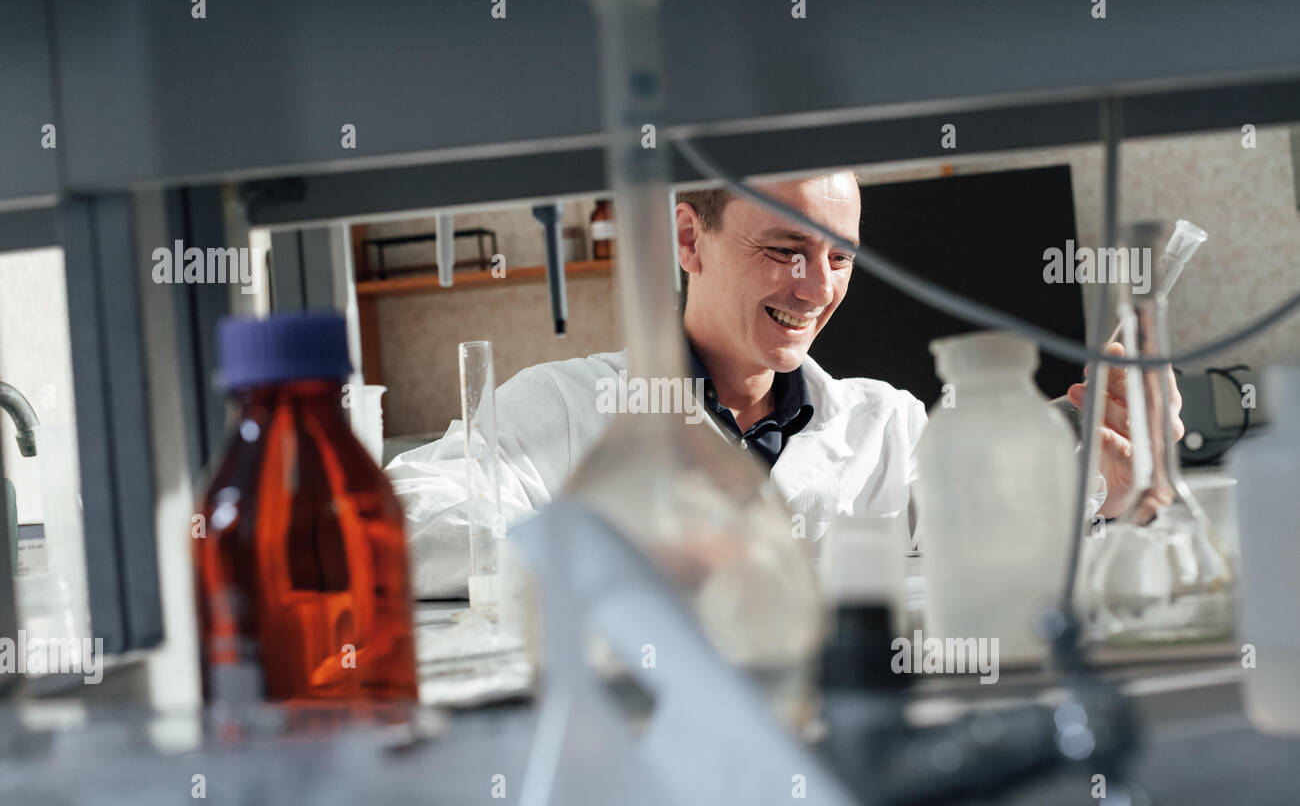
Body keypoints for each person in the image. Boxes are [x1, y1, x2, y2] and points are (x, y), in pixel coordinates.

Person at [385, 171, 1183, 598]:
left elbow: (987, 526)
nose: (815, 288)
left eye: (840, 257)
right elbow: (399, 522)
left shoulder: (884, 425)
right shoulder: (560, 407)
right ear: (690, 239)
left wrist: (1105, 482)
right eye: (785, 248)